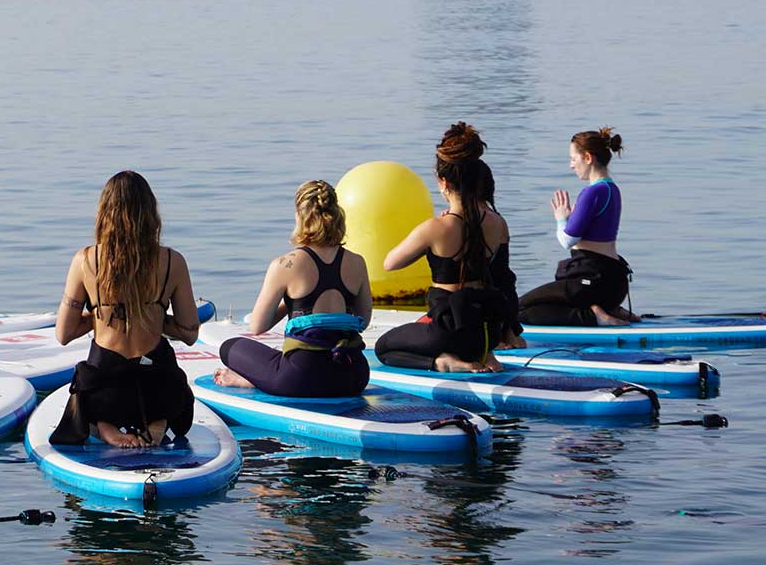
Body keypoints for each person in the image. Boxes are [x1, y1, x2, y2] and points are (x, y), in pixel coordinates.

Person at [53, 171, 202, 448]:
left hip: (105, 394)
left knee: (87, 392)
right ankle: (157, 421)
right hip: (159, 389)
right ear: (151, 213)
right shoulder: (173, 262)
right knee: (173, 392)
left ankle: (105, 426)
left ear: (104, 213)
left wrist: (103, 312)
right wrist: (151, 313)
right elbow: (190, 332)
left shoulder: (85, 261)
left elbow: (64, 333)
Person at [373, 123, 524, 373]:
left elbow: (390, 263)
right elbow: (505, 280)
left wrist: (430, 233)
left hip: (448, 333)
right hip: (486, 332)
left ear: (443, 182)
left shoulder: (435, 228)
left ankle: (442, 362)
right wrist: (510, 331)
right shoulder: (498, 223)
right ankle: (486, 355)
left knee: (384, 347)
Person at [213, 180, 372, 398]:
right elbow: (364, 319)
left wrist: (291, 302)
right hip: (353, 375)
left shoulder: (285, 265)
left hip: (301, 379)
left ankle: (249, 380)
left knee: (229, 347)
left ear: (300, 216)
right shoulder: (357, 262)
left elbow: (257, 326)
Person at [519, 128, 636, 326]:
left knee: (518, 309)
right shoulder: (612, 189)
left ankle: (594, 317)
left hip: (593, 281)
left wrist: (561, 219)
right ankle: (609, 309)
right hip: (615, 284)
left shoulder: (592, 192)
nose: (571, 165)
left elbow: (567, 240)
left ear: (588, 157)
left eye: (573, 159)